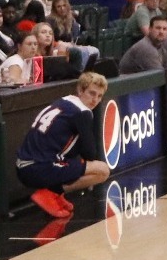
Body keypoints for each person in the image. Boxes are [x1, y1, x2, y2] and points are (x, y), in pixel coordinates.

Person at [14, 72, 112, 219]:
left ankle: (56, 194)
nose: (95, 100)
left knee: (73, 161)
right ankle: (51, 192)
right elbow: (90, 153)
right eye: (92, 93)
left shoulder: (63, 101)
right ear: (80, 90)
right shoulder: (82, 112)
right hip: (38, 168)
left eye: (99, 96)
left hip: (24, 166)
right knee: (102, 171)